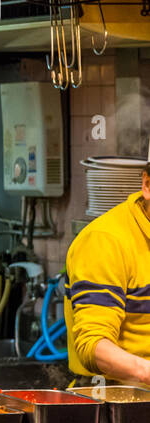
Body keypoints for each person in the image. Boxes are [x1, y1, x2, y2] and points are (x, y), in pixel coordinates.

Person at [65, 161, 150, 385]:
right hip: (110, 403)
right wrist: (145, 372)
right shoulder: (105, 241)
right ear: (147, 185)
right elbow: (93, 345)